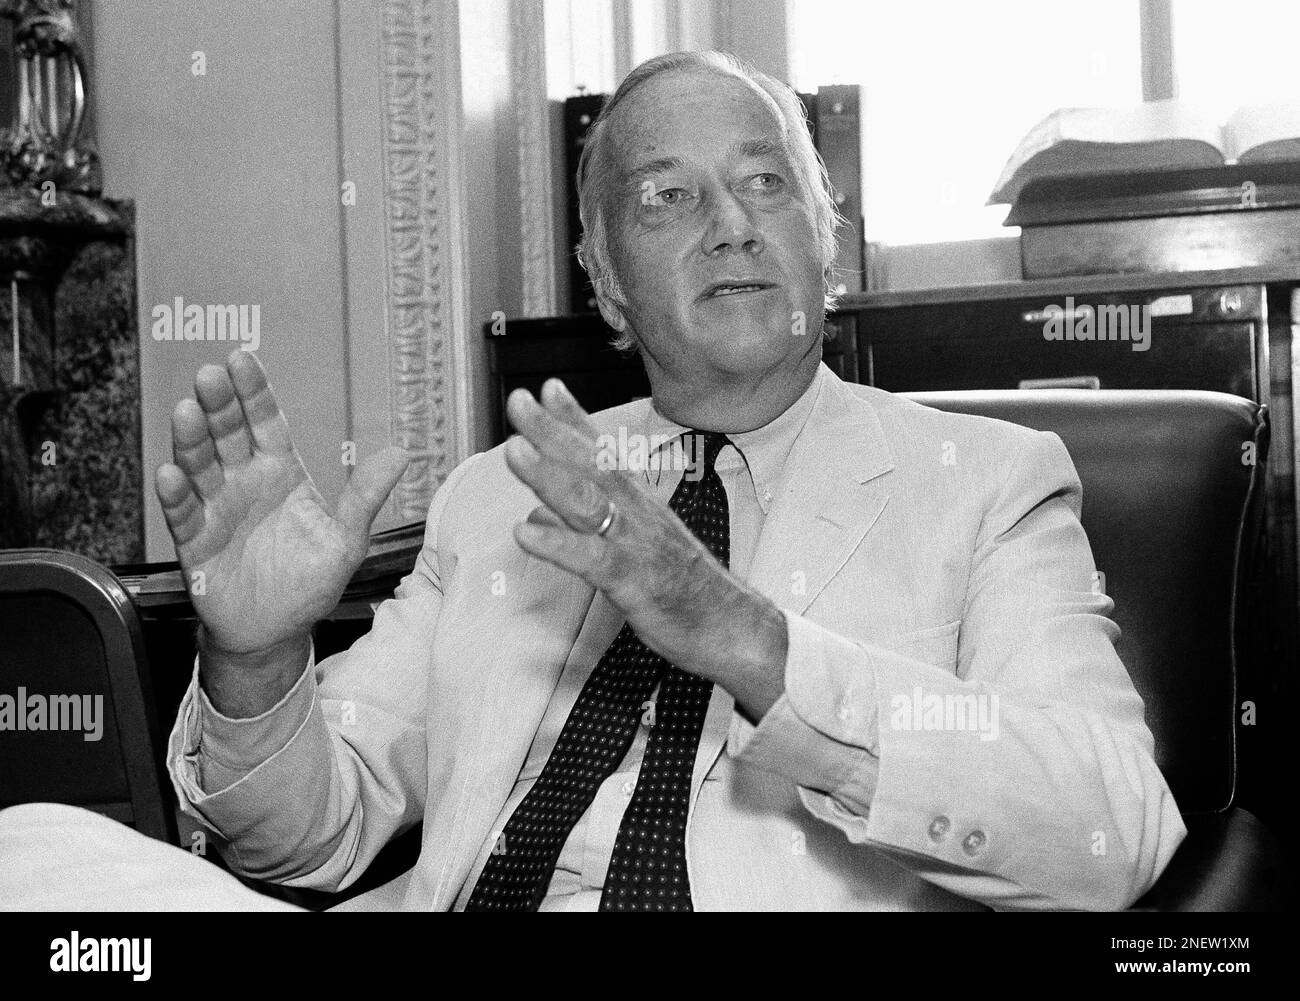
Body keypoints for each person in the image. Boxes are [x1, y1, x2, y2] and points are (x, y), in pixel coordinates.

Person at [3, 50, 1185, 912]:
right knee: (29, 851)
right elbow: (301, 838)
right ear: (606, 285)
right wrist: (257, 660)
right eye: (668, 196)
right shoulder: (500, 495)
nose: (730, 223)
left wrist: (752, 643)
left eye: (767, 183)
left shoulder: (987, 479)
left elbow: (1112, 830)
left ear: (828, 237)